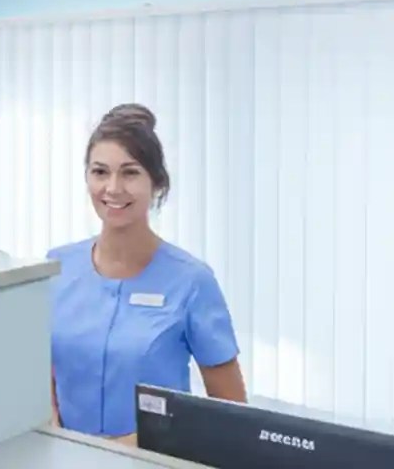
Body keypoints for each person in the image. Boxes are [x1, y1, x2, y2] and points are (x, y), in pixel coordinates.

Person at [47, 103, 247, 444]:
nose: (113, 188)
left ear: (156, 183)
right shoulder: (56, 268)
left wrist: (125, 449)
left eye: (130, 172)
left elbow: (232, 413)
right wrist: (57, 442)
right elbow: (43, 376)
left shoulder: (192, 281)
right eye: (99, 172)